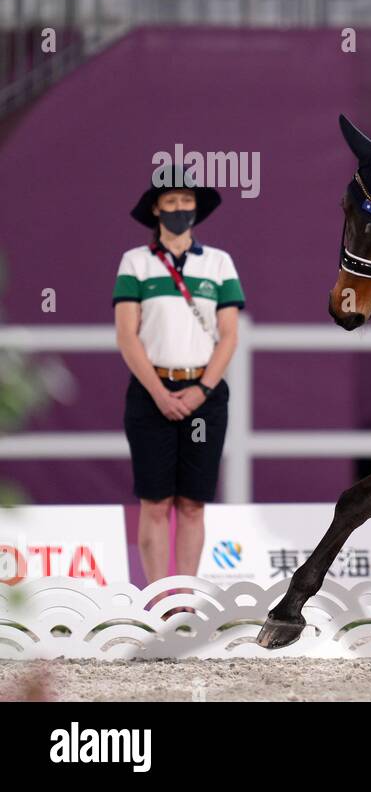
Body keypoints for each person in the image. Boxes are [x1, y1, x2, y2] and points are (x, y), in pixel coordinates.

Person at [113, 180, 244, 584]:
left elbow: (229, 335)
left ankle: (184, 599)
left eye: (186, 200)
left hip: (203, 396)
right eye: (170, 201)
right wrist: (159, 393)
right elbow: (127, 336)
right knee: (154, 501)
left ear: (196, 208)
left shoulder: (218, 263)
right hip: (151, 393)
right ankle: (157, 600)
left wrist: (201, 390)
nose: (179, 208)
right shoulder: (135, 262)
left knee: (192, 502)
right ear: (156, 209)